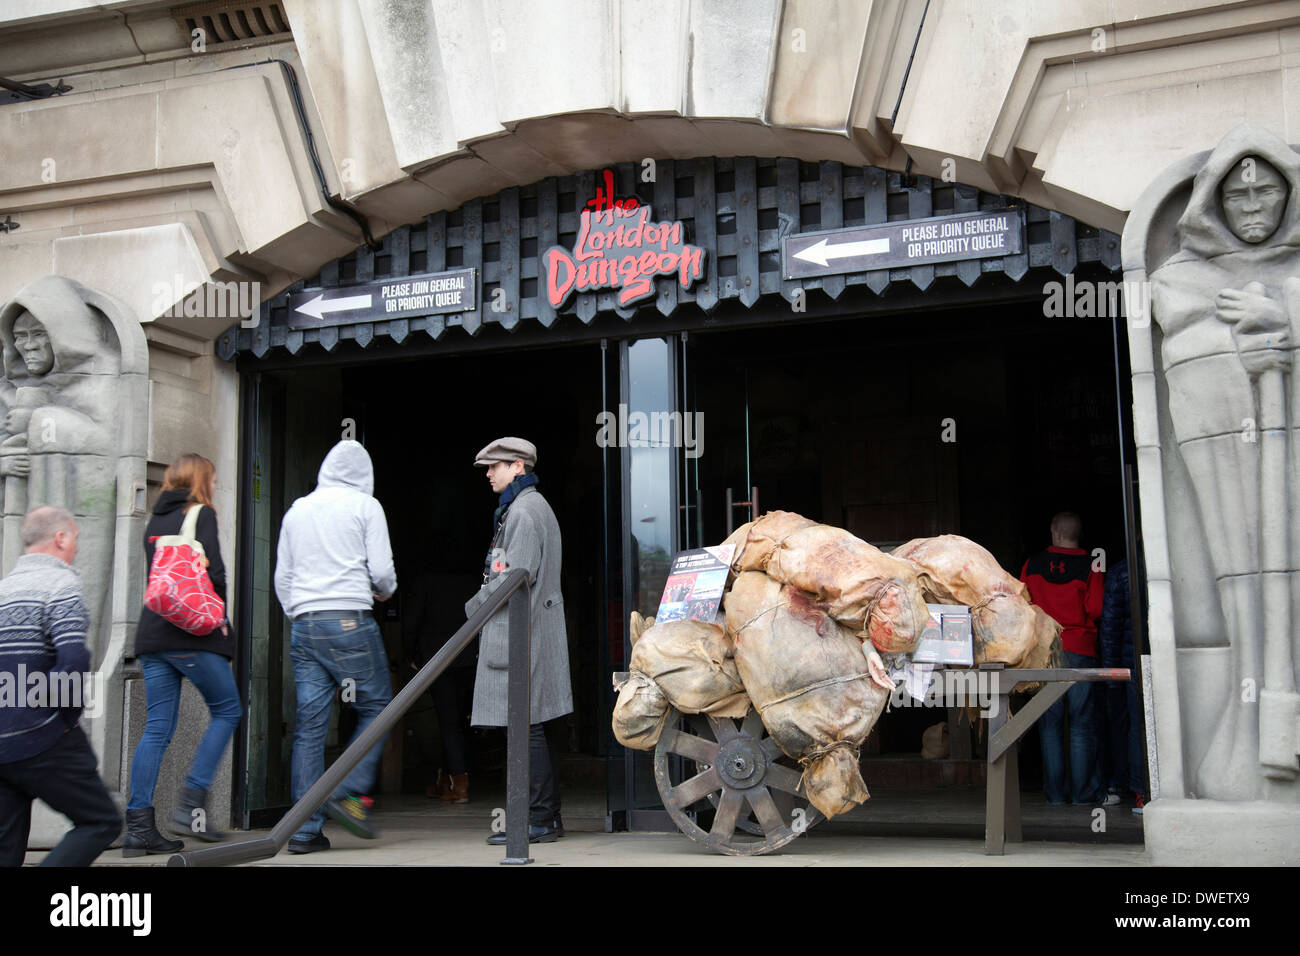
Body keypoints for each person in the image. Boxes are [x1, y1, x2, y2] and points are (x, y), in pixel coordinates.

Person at [276, 440, 396, 854]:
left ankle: (305, 831)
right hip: (349, 621)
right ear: (365, 475)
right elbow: (382, 574)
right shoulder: (366, 507)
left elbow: (283, 578)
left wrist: (302, 612)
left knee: (309, 727)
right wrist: (382, 592)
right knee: (379, 706)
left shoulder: (297, 510)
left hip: (306, 626)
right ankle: (347, 791)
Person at [125, 453, 241, 854]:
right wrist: (220, 626)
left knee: (157, 728)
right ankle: (192, 801)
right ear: (200, 481)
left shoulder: (153, 522)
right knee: (228, 710)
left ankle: (138, 827)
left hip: (152, 636)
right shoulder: (201, 515)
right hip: (192, 637)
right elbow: (217, 576)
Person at [0, 506, 121, 866]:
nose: (76, 549)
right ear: (60, 538)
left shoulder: (3, 589)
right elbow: (72, 664)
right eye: (75, 540)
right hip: (43, 734)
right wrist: (66, 720)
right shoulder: (62, 585)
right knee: (101, 821)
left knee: (5, 849)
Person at [466, 437, 572, 844]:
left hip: (522, 634)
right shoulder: (527, 507)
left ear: (518, 466)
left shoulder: (524, 512)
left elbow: (514, 577)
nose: (489, 474)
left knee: (525, 727)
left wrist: (473, 607)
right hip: (528, 632)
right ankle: (545, 818)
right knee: (530, 726)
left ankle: (538, 820)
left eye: (495, 466)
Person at [1021, 511, 1105, 805]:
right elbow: (1095, 609)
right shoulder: (1092, 565)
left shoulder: (1032, 565)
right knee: (1082, 723)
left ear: (1055, 532)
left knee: (1050, 723)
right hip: (1079, 649)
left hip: (1045, 652)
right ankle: (1084, 796)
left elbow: (1023, 606)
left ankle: (1055, 795)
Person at [1098, 557, 1147, 813]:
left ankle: (1135, 789)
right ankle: (1141, 790)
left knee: (1129, 725)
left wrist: (1109, 669)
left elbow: (1110, 624)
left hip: (1129, 662)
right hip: (1152, 659)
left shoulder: (1121, 571)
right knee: (1141, 725)